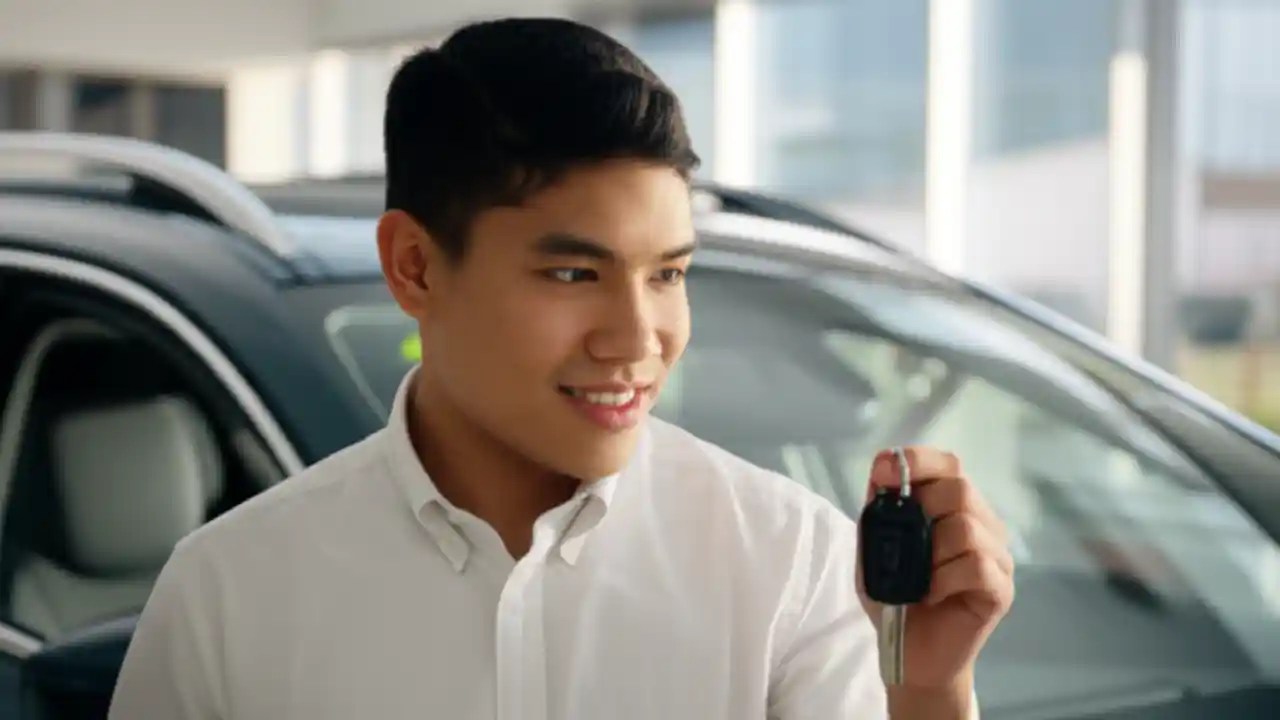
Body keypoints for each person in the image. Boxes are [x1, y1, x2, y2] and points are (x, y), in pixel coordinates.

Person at [108, 17, 1013, 720]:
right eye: (575, 275)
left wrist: (928, 694)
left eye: (668, 275)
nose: (637, 338)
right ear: (415, 267)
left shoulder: (793, 565)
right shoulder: (230, 595)